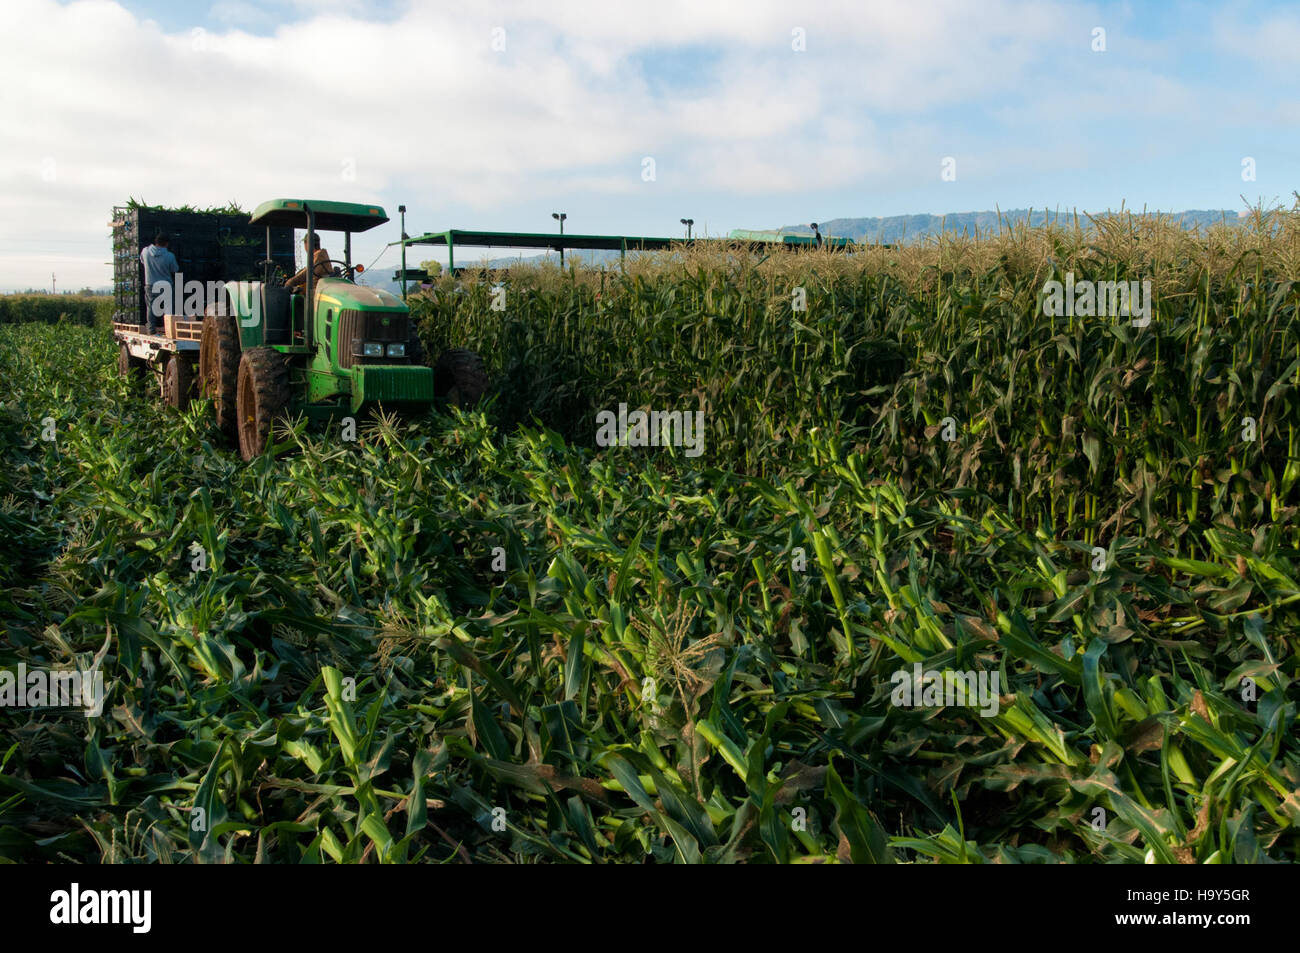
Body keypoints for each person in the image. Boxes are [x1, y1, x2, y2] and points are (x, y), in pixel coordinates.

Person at [139, 233, 179, 335]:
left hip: (150, 284)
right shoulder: (170, 256)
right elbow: (175, 269)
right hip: (166, 285)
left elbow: (142, 261)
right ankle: (169, 330)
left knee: (151, 307)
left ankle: (151, 330)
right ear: (166, 243)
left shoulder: (145, 251)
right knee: (168, 308)